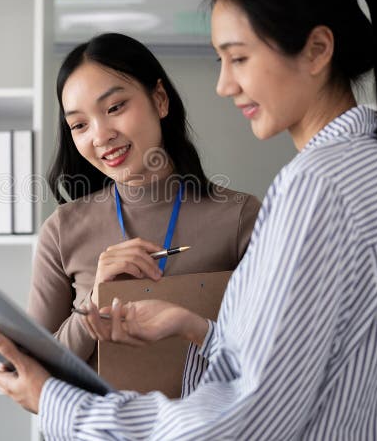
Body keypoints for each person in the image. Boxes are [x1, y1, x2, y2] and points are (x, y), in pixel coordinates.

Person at [0, 0, 377, 440]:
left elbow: (240, 418)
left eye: (238, 58)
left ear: (318, 49)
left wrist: (53, 401)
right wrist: (190, 326)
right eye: (78, 123)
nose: (223, 84)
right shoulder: (365, 167)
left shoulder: (312, 192)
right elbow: (284, 362)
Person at [27, 32, 261, 369]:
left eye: (115, 107)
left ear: (160, 99)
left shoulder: (240, 217)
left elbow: (275, 356)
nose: (101, 135)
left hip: (207, 421)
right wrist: (94, 300)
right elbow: (35, 375)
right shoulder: (62, 230)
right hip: (99, 422)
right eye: (79, 124)